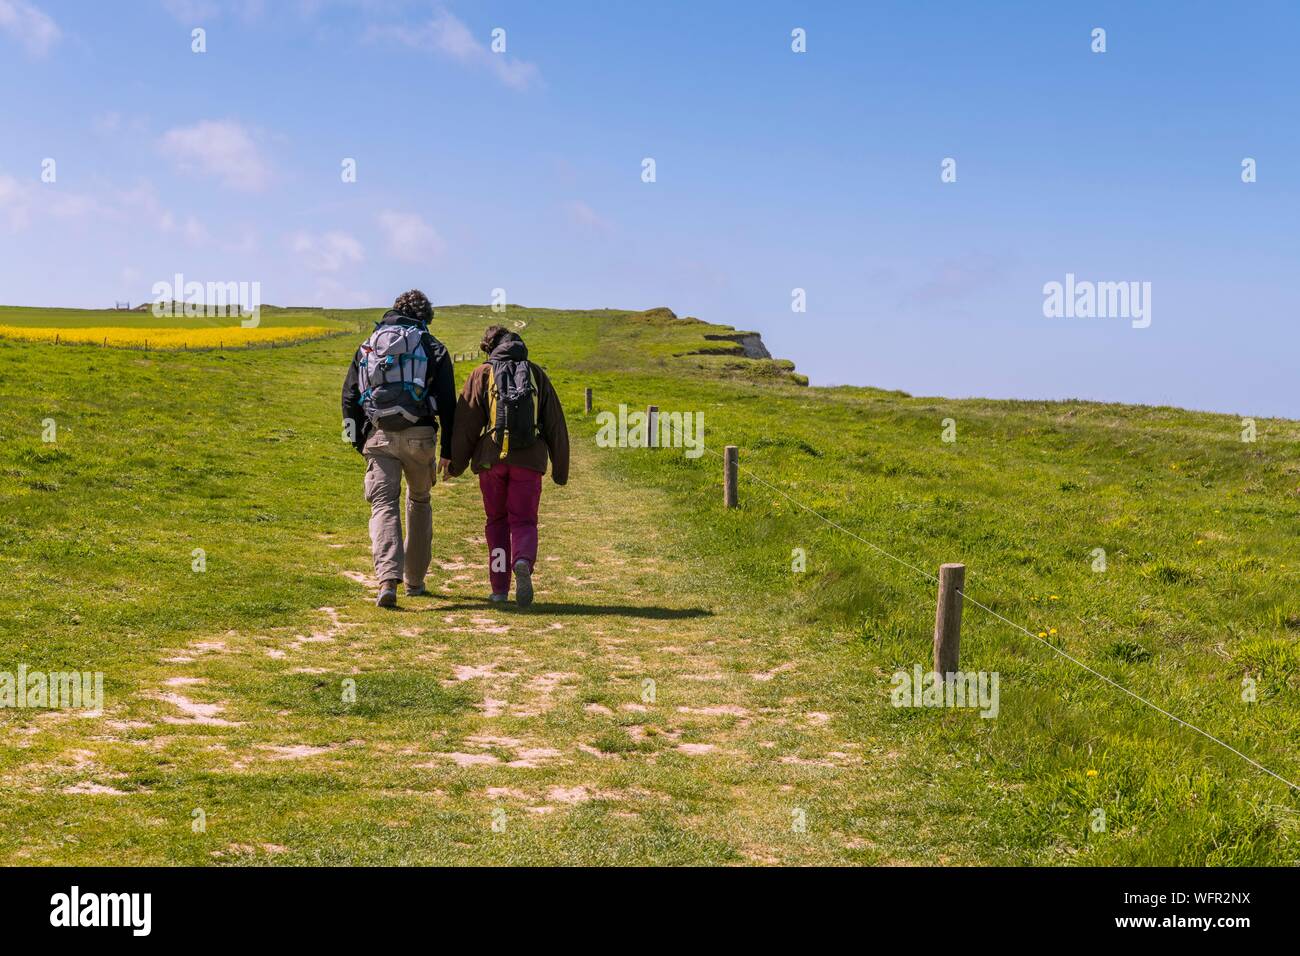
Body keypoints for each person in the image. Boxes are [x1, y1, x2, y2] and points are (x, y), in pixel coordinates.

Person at [342, 290, 456, 608]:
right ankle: (415, 582)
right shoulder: (432, 347)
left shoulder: (369, 344)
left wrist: (358, 439)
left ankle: (386, 580)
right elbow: (448, 402)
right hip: (420, 435)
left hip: (378, 436)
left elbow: (349, 395)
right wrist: (449, 448)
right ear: (426, 319)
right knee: (419, 501)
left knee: (383, 505)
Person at [449, 325, 569, 606]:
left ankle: (499, 587)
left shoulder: (482, 373)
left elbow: (466, 424)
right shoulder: (536, 374)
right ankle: (523, 561)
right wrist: (560, 471)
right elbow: (555, 425)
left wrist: (456, 464)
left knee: (497, 522)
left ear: (489, 349)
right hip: (529, 461)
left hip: (492, 461)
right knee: (524, 520)